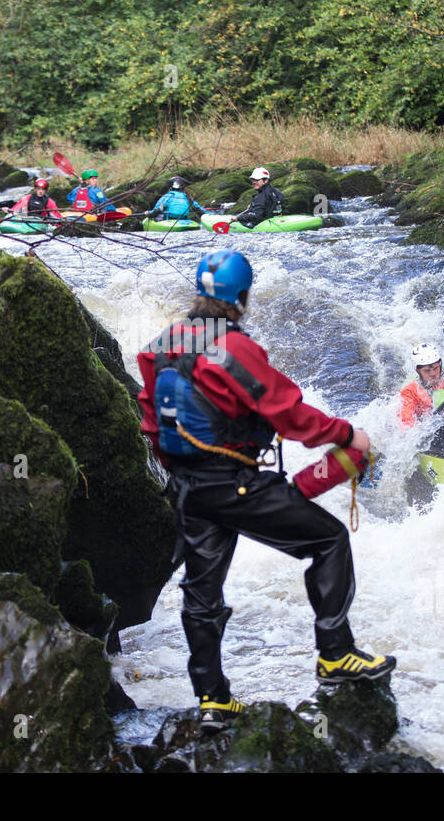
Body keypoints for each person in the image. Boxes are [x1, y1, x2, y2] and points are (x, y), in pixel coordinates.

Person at [137, 249, 394, 734]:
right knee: (328, 540)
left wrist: (184, 474)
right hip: (237, 482)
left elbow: (152, 418)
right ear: (241, 295)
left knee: (201, 590)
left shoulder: (161, 343)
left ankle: (213, 700)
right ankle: (336, 656)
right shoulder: (234, 348)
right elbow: (290, 416)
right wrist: (346, 435)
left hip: (191, 488)